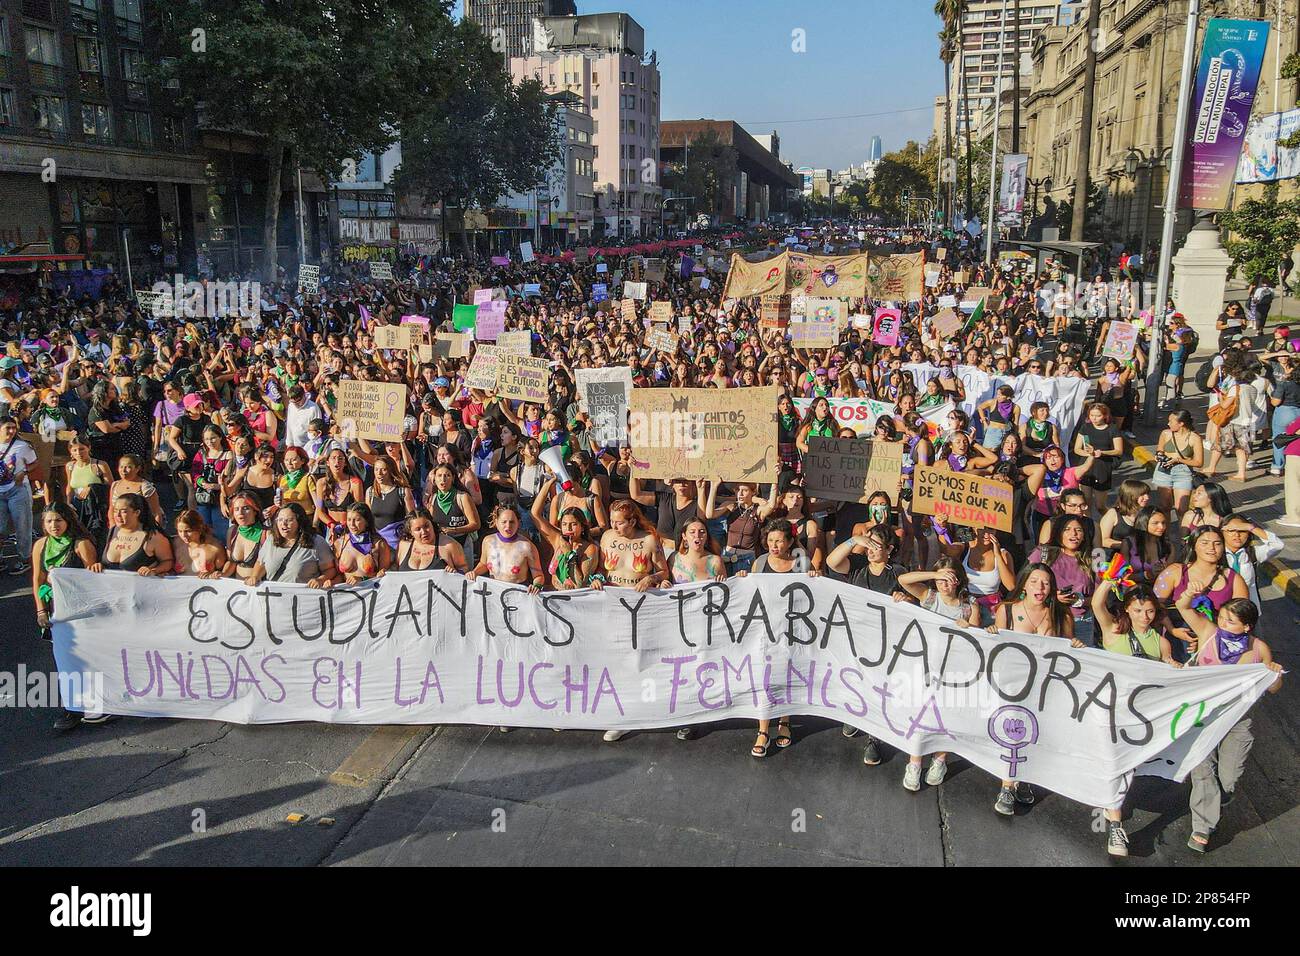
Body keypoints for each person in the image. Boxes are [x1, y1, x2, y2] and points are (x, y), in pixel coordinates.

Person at [1174, 588, 1283, 853]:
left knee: (1230, 778)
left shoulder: (1259, 649)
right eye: (1221, 617)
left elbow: (1273, 688)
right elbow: (1184, 607)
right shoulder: (1209, 634)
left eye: (1230, 621)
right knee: (1203, 770)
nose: (1222, 623)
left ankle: (1217, 798)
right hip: (1205, 716)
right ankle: (1202, 827)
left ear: (1247, 626)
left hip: (1239, 721)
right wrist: (1190, 593)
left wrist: (1275, 673)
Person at [1088, 583, 1181, 856]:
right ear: (1128, 608)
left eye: (1150, 611)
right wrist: (1109, 578)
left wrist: (1173, 665)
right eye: (1139, 610)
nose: (1145, 616)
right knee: (1116, 764)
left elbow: (1166, 669)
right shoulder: (1114, 631)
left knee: (1125, 765)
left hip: (1139, 714)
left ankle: (1110, 801)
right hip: (1109, 710)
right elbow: (1097, 604)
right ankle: (1117, 827)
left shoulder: (1161, 641)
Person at [988, 564, 1081, 815]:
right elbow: (997, 647)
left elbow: (1068, 650)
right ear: (1024, 584)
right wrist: (992, 633)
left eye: (1046, 583)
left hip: (1045, 684)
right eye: (1034, 581)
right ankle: (1007, 785)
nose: (1040, 588)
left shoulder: (1062, 614)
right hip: (1014, 682)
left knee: (1037, 732)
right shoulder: (1006, 610)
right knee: (1014, 729)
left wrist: (1075, 644)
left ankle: (1024, 777)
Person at [826, 525, 909, 766]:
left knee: (880, 686)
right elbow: (832, 561)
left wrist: (905, 597)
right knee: (858, 678)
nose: (871, 549)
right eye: (869, 544)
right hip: (858, 636)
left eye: (877, 545)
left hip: (886, 641)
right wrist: (854, 539)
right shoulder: (857, 567)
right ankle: (856, 713)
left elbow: (915, 597)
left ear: (890, 549)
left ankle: (875, 737)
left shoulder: (899, 572)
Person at [31, 502, 108, 732]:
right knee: (65, 660)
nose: (53, 525)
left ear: (68, 521)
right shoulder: (41, 545)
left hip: (80, 612)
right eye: (48, 521)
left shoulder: (81, 544)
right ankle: (72, 706)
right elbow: (37, 579)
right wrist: (41, 610)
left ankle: (98, 703)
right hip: (56, 611)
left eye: (58, 520)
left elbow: (92, 579)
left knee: (89, 658)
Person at [598, 499, 670, 743]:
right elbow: (600, 567)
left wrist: (650, 579)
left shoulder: (649, 540)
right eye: (612, 521)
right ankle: (619, 711)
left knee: (636, 660)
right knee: (614, 660)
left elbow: (664, 571)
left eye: (619, 522)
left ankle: (630, 712)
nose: (614, 526)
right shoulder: (607, 537)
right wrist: (597, 579)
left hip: (639, 606)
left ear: (632, 521)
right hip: (612, 604)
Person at [531, 477, 602, 589]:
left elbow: (579, 584)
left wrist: (569, 554)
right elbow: (535, 513)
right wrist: (548, 483)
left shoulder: (590, 549)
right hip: (556, 596)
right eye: (564, 524)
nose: (568, 528)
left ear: (582, 527)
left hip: (576, 600)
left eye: (573, 524)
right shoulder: (557, 539)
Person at [247, 502, 339, 587]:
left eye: (289, 520)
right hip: (273, 599)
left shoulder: (317, 542)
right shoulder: (271, 540)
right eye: (280, 520)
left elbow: (330, 570)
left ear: (299, 522)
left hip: (303, 600)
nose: (284, 524)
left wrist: (320, 580)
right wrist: (255, 576)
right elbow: (261, 563)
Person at [0, 416, 41, 575]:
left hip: (18, 489)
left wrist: (24, 471)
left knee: (22, 524)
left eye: (13, 428)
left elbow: (35, 462)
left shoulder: (22, 446)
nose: (11, 431)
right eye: (7, 428)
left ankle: (24, 558)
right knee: (0, 527)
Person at [102, 492, 174, 576]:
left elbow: (168, 561)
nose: (117, 515)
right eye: (115, 511)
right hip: (111, 587)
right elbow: (104, 564)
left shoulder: (153, 537)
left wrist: (154, 570)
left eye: (123, 512)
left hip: (142, 587)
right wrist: (98, 566)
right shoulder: (112, 532)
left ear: (137, 513)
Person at [1150, 410, 1202, 516]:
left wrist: (1178, 460)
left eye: (1171, 421)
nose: (1168, 423)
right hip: (1163, 471)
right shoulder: (1166, 434)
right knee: (1165, 507)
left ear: (1181, 423)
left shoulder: (1194, 438)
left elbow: (1198, 462)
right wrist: (1159, 455)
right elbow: (1160, 449)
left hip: (1183, 473)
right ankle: (1166, 532)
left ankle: (1183, 532)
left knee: (1181, 509)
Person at [172, 509, 228, 578]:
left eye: (188, 531)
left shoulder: (215, 548)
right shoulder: (176, 543)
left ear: (199, 528)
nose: (183, 535)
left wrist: (214, 574)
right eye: (180, 531)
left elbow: (223, 573)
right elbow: (167, 563)